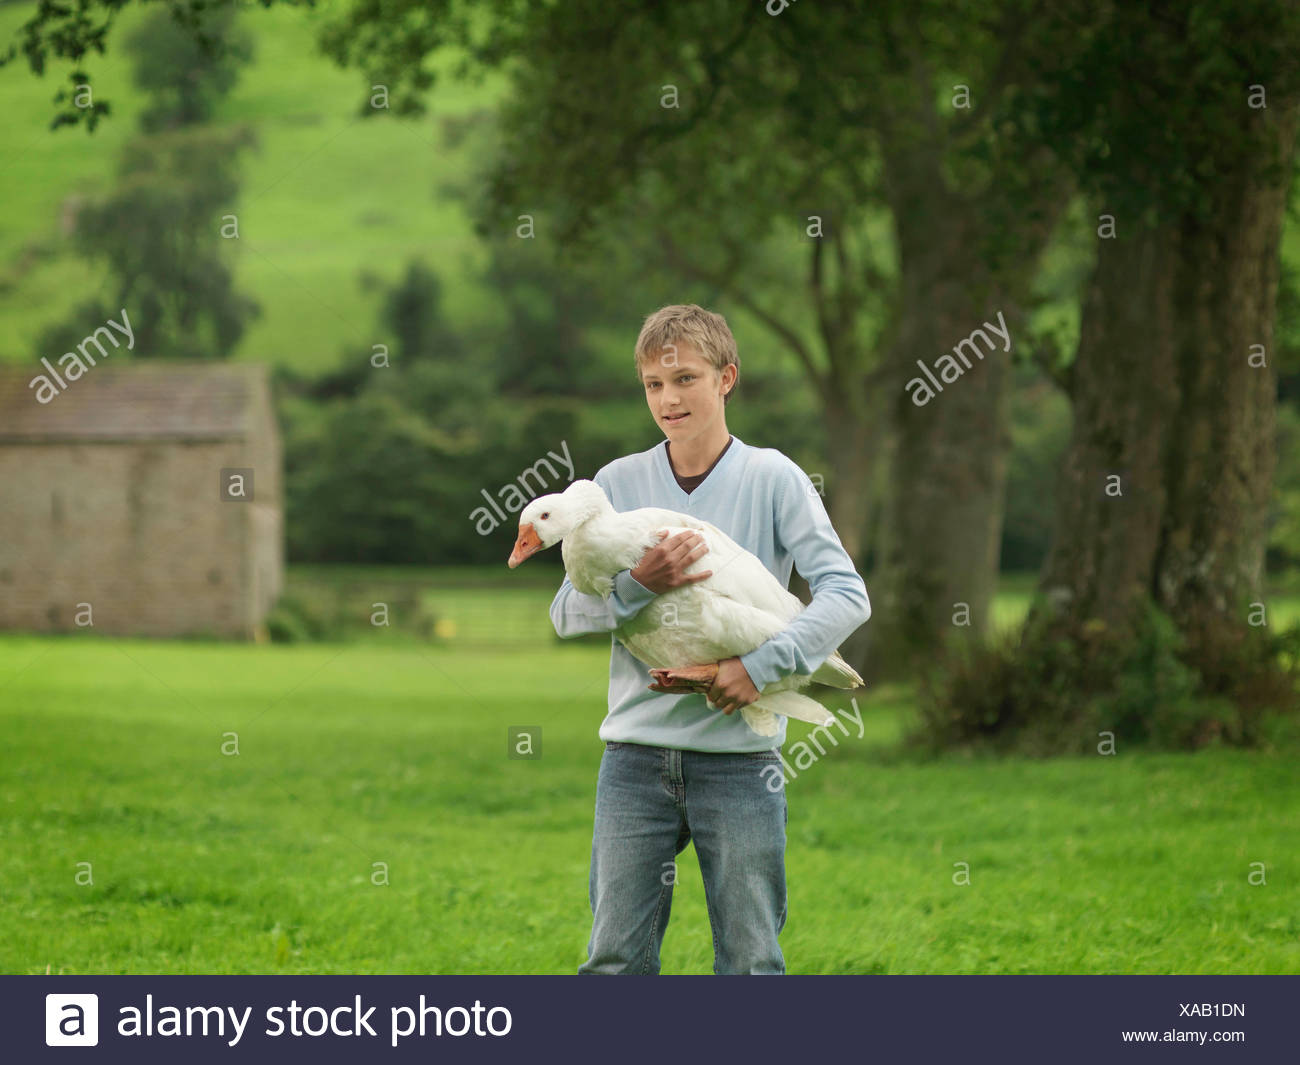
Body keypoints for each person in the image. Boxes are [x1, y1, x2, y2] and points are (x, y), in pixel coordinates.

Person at [549, 303, 871, 974]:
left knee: (751, 964)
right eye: (653, 384)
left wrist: (759, 667)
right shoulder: (613, 485)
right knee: (614, 964)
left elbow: (847, 594)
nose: (668, 399)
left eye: (685, 379)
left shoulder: (774, 478)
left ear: (727, 378)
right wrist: (637, 585)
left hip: (740, 762)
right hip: (634, 758)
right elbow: (566, 615)